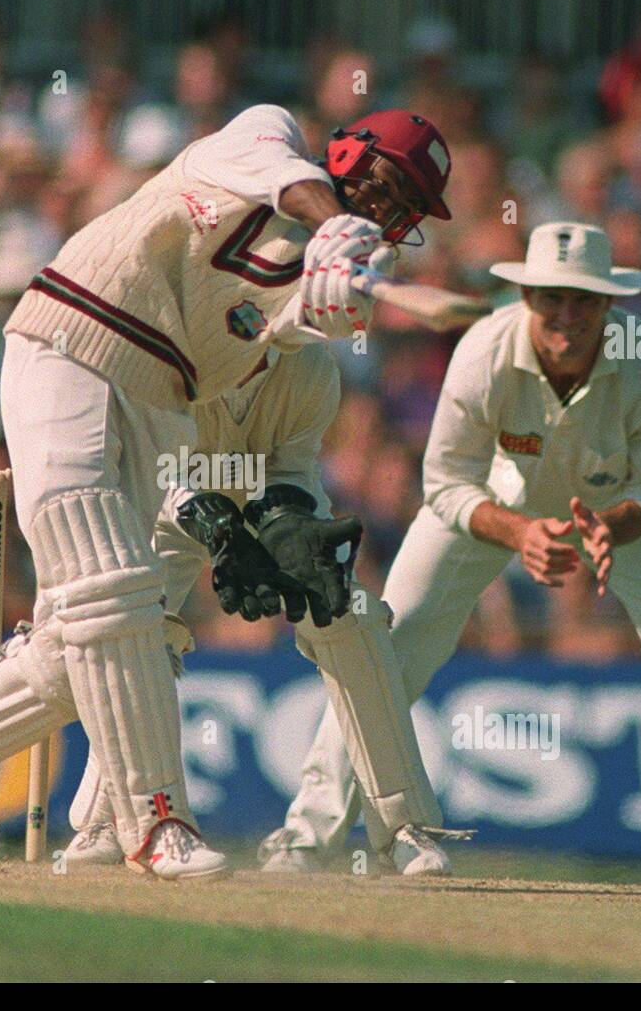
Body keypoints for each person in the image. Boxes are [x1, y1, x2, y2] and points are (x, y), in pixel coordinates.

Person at [0, 105, 455, 880]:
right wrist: (333, 226)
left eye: (407, 208)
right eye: (389, 188)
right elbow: (295, 187)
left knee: (83, 647)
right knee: (113, 594)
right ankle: (152, 822)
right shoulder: (263, 137)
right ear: (348, 154)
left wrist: (284, 530)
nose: (391, 214)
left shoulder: (309, 356)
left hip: (156, 403)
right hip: (72, 332)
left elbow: (288, 432)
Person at [264, 221, 641, 893]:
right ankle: (306, 836)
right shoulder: (482, 352)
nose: (565, 315)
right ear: (526, 297)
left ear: (608, 305)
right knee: (387, 645)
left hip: (617, 511)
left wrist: (612, 526)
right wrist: (521, 532)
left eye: (582, 300)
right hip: (490, 500)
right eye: (550, 297)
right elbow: (444, 485)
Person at [58, 340, 474, 875]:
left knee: (345, 613)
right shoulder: (172, 352)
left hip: (263, 503)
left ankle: (402, 827)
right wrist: (200, 514)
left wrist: (286, 524)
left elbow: (293, 466)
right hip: (167, 506)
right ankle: (105, 819)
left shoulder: (311, 366)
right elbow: (144, 461)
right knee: (130, 625)